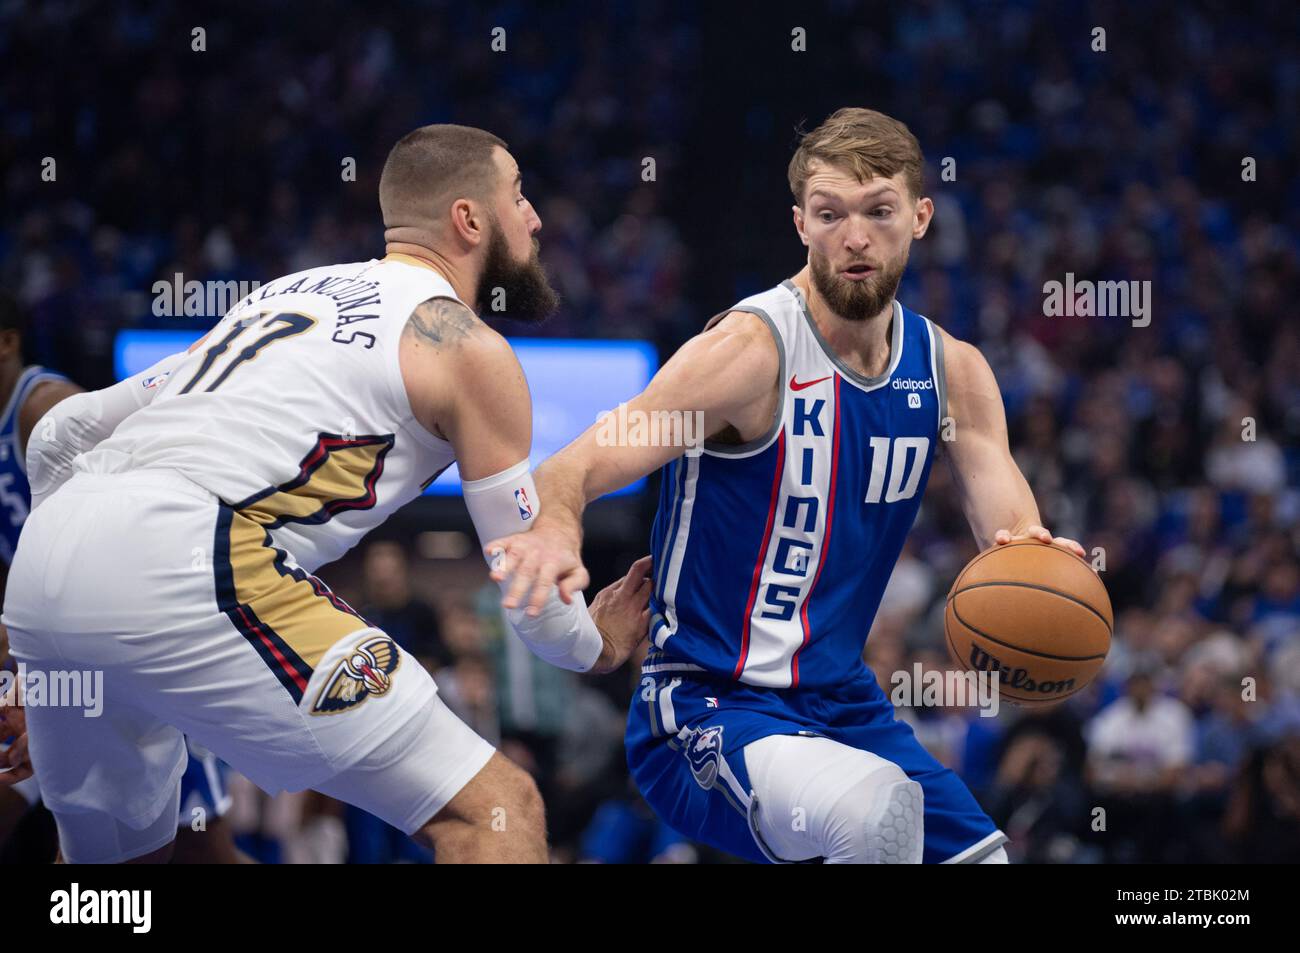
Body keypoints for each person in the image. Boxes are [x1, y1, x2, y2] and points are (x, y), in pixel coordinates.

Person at [0, 124, 649, 864]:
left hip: (52, 562)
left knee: (112, 878)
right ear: (469, 220)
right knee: (497, 810)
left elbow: (63, 433)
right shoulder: (469, 348)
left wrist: (36, 640)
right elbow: (530, 594)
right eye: (521, 195)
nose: (535, 217)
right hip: (187, 554)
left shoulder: (286, 295)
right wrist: (597, 646)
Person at [486, 107, 1088, 864]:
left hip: (844, 704)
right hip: (705, 706)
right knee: (877, 814)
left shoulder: (953, 371)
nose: (856, 237)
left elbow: (1010, 538)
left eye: (879, 211)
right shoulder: (746, 353)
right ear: (800, 223)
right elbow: (573, 465)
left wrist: (1036, 568)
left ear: (922, 217)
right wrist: (553, 525)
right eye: (831, 214)